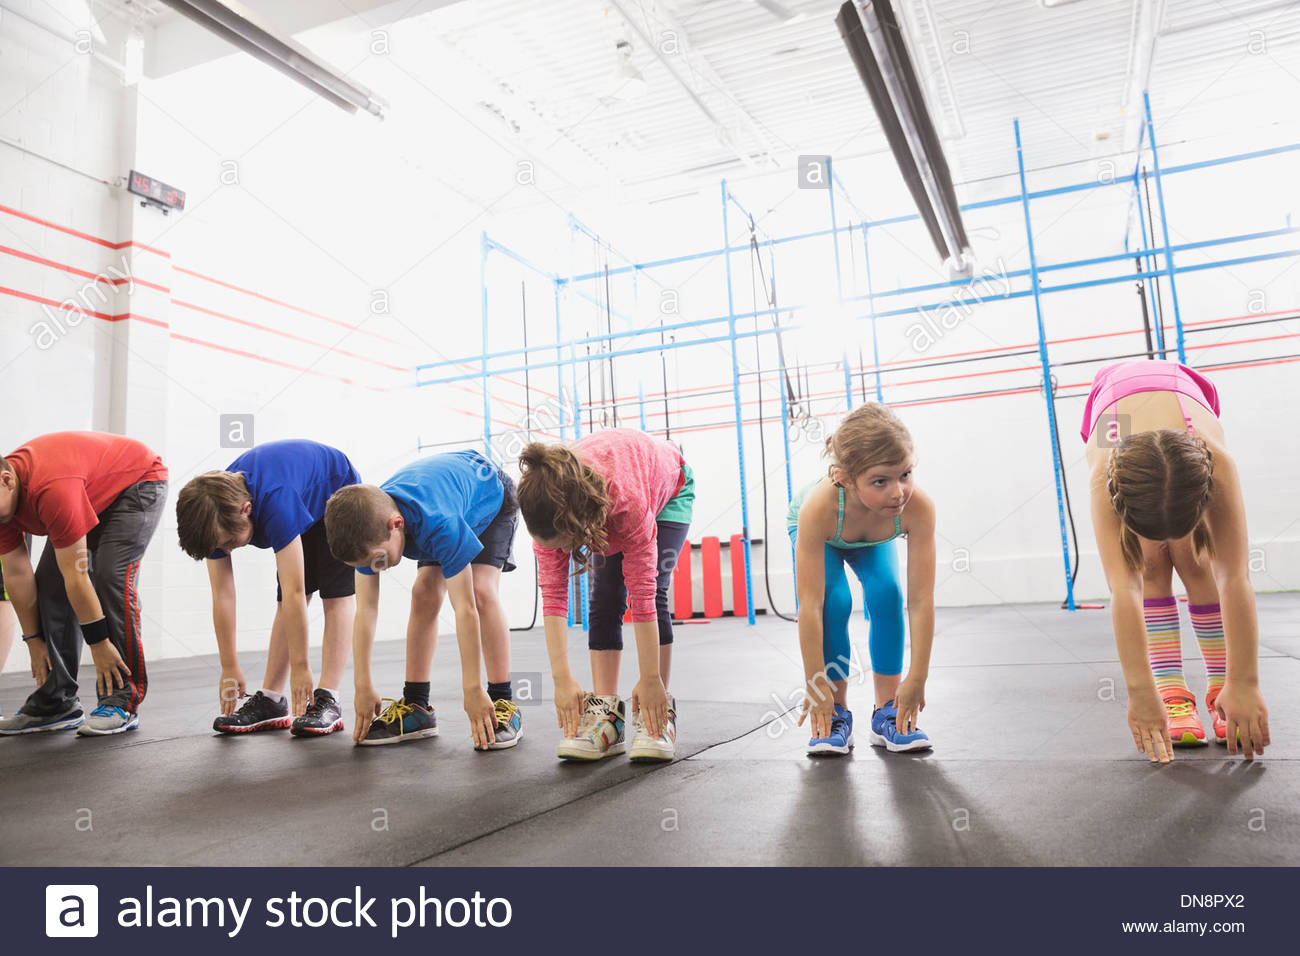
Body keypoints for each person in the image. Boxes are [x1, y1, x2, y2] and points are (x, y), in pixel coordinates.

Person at [1083, 359, 1269, 763]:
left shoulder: (1216, 462)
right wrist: (1142, 692)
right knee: (1149, 566)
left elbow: (1235, 577)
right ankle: (1172, 692)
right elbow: (1123, 588)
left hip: (1182, 391)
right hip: (1115, 405)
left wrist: (1245, 682)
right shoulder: (1103, 473)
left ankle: (1220, 686)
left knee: (1198, 558)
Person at [517, 428, 694, 762]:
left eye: (563, 544)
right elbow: (554, 597)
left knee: (654, 591)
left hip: (669, 490)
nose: (559, 552)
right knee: (604, 596)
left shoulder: (627, 503)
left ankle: (656, 708)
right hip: (606, 494)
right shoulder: (548, 508)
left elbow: (641, 596)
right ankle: (606, 715)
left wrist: (650, 677)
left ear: (575, 523)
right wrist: (561, 680)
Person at [325, 449, 521, 750]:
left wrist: (472, 688)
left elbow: (465, 609)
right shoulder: (366, 531)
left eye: (378, 560)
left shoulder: (439, 524)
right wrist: (361, 684)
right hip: (441, 501)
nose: (377, 568)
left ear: (396, 525)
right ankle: (417, 706)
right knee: (423, 592)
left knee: (481, 591)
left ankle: (503, 701)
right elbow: (365, 610)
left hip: (490, 498)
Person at [176, 439, 361, 736]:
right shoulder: (210, 515)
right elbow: (223, 595)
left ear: (246, 510)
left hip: (337, 491)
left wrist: (302, 668)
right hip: (298, 489)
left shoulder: (277, 502)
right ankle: (273, 700)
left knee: (334, 595)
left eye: (228, 544)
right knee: (283, 602)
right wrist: (228, 666)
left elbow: (296, 592)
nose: (226, 551)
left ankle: (328, 698)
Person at [788, 403, 936, 756]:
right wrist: (816, 685)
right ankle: (835, 712)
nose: (898, 492)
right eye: (880, 481)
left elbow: (919, 601)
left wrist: (917, 677)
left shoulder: (916, 509)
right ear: (844, 478)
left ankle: (887, 709)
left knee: (887, 593)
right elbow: (809, 606)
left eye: (905, 475)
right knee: (835, 601)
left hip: (875, 534)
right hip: (825, 533)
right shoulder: (818, 507)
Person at [0, 431, 168, 736]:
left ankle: (122, 700)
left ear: (7, 481)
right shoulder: (3, 507)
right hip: (88, 491)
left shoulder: (50, 489)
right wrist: (34, 640)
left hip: (138, 482)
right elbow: (17, 575)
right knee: (49, 584)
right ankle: (57, 702)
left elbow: (77, 576)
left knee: (110, 577)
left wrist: (99, 644)